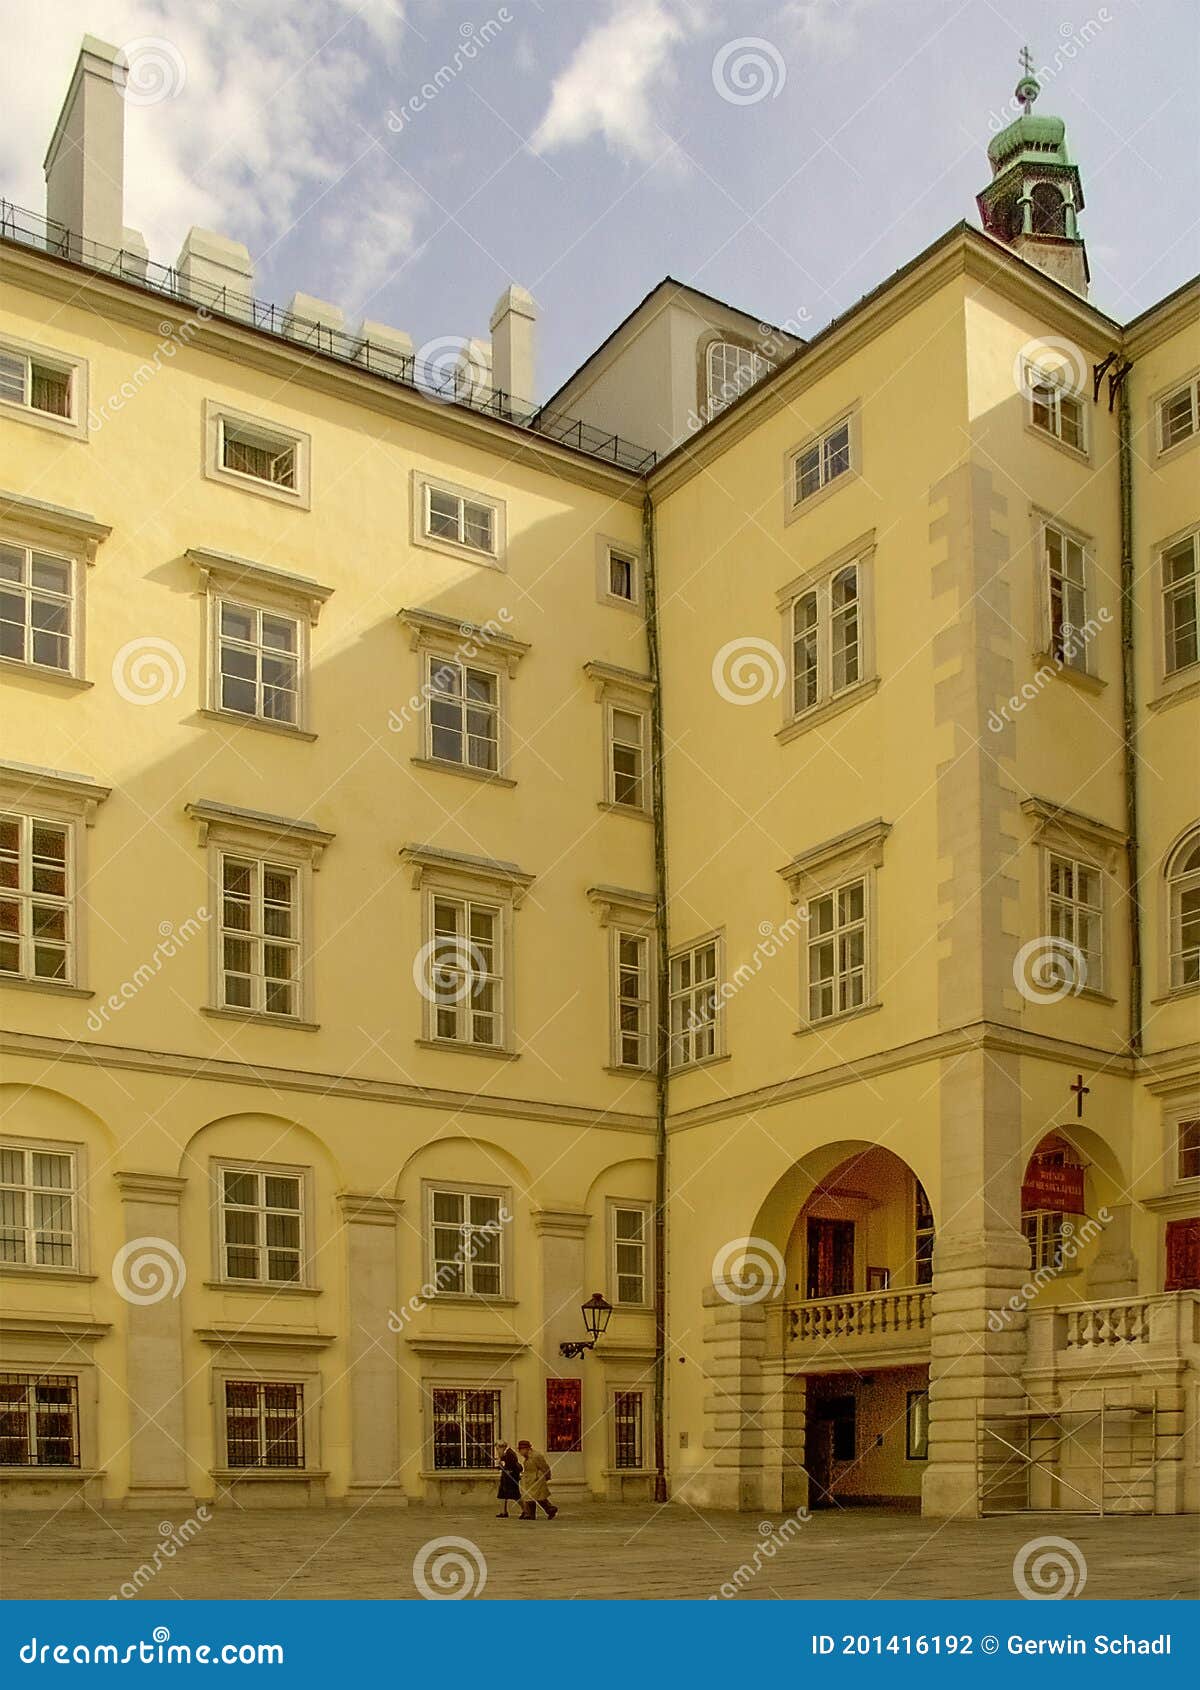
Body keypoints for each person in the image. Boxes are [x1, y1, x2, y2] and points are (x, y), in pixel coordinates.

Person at [516, 1439, 557, 1519]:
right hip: (530, 1480)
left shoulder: (536, 1456)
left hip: (537, 1479)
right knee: (535, 1497)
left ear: (525, 1449)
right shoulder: (528, 1457)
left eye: (520, 1450)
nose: (520, 1453)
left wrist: (547, 1476)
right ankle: (549, 1509)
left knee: (534, 1497)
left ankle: (532, 1514)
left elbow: (544, 1467)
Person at [495, 1440, 522, 1517]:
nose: (497, 1451)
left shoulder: (510, 1454)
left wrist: (501, 1465)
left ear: (502, 1447)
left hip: (511, 1478)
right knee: (502, 1495)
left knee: (515, 1495)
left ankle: (526, 1510)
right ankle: (503, 1512)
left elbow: (509, 1468)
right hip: (506, 1478)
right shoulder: (506, 1453)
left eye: (497, 1449)